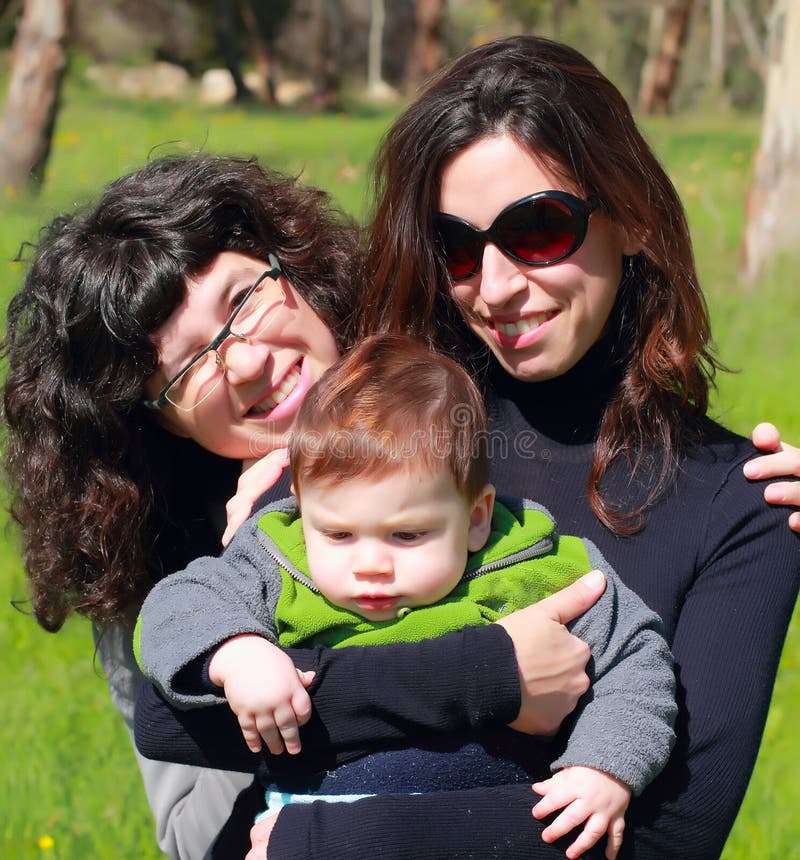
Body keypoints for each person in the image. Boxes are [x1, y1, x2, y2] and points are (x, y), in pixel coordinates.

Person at [2, 49, 799, 857]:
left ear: (631, 216)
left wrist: (326, 837)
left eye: (539, 229)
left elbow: (676, 835)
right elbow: (176, 719)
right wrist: (491, 677)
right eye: (454, 247)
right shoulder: (406, 433)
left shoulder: (743, 504)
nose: (494, 286)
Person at [1, 152, 622, 860]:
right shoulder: (162, 566)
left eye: (241, 301)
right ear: (154, 421)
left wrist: (751, 476)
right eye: (186, 367)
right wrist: (490, 675)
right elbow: (192, 815)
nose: (245, 362)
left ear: (292, 268)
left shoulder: (455, 398)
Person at [136, 332, 676, 860]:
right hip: (297, 826)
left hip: (460, 831)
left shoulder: (531, 565)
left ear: (476, 518)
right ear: (303, 510)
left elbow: (635, 655)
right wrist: (238, 652)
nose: (371, 565)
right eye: (339, 535)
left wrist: (603, 766)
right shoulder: (279, 560)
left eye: (408, 535)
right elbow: (175, 605)